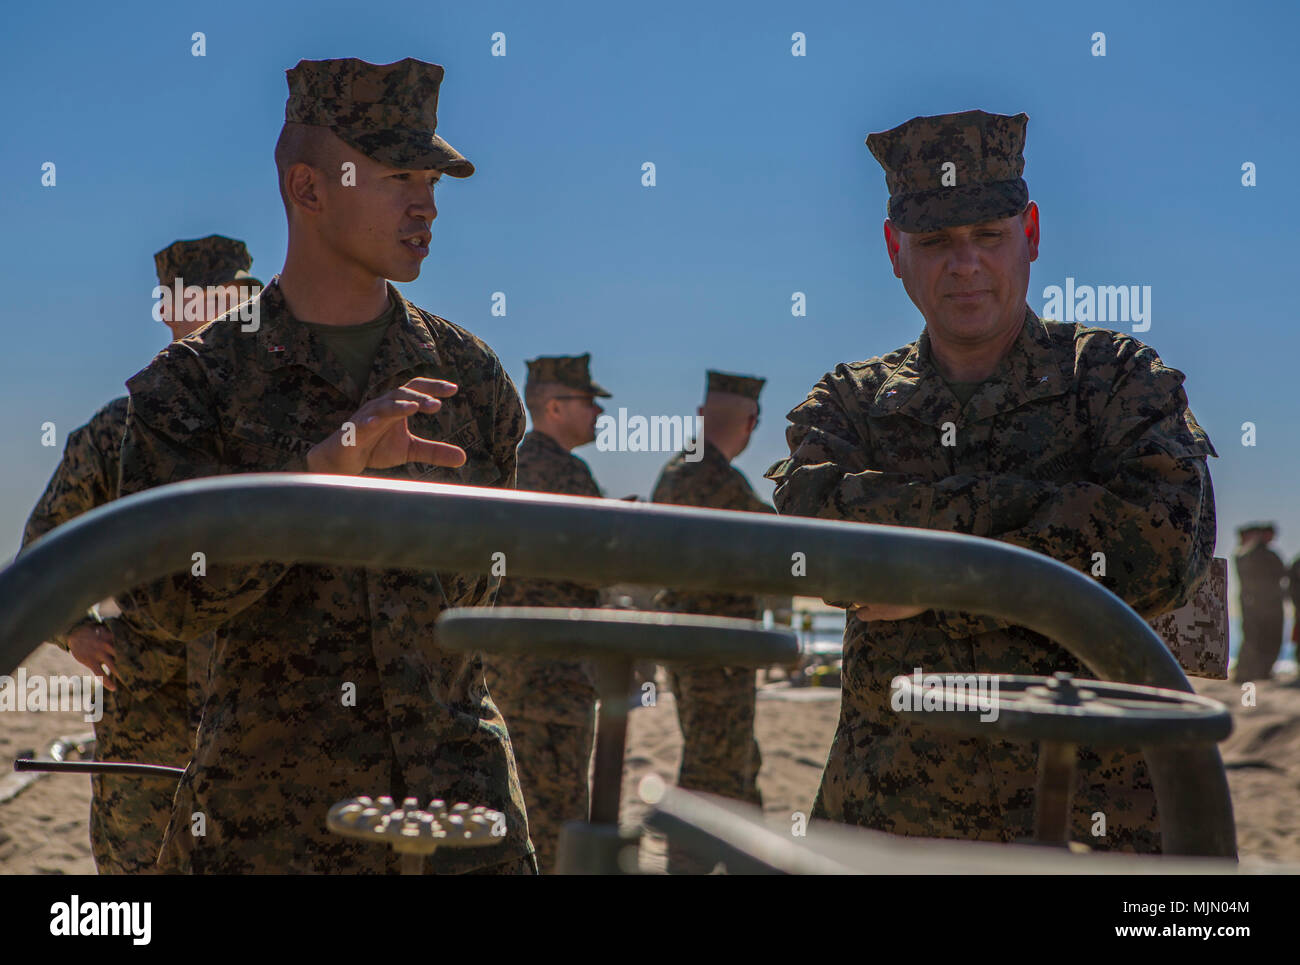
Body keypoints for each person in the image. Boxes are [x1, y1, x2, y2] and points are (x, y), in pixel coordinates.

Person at [116, 57, 533, 874]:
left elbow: (484, 591)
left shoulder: (471, 378)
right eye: (398, 175)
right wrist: (313, 478)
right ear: (308, 190)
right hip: (273, 829)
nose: (427, 203)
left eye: (434, 179)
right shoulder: (195, 384)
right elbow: (162, 599)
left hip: (461, 821)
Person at [764, 110, 1217, 853]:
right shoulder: (849, 401)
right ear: (894, 251)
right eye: (936, 241)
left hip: (1086, 831)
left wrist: (933, 573)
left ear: (1031, 234)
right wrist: (1040, 535)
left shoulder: (1111, 379)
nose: (964, 264)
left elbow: (1159, 547)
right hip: (886, 829)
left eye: (988, 237)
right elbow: (814, 534)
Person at [20, 235, 262, 873]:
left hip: (267, 709)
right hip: (147, 716)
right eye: (204, 300)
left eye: (233, 299)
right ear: (168, 310)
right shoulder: (117, 429)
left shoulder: (281, 427)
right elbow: (45, 550)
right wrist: (75, 630)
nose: (221, 313)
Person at [482, 353, 609, 873]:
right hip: (556, 677)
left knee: (516, 810)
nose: (599, 413)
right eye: (589, 402)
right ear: (554, 407)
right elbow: (601, 563)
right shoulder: (566, 472)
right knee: (557, 816)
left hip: (506, 671)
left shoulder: (511, 462)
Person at [652, 370, 772, 873]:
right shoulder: (718, 479)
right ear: (751, 422)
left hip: (699, 650)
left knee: (737, 762)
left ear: (701, 416)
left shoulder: (680, 470)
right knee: (716, 770)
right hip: (716, 654)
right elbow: (777, 541)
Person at [1232, 523, 1286, 682]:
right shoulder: (1251, 553)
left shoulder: (1251, 553)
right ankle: (1248, 673)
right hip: (1262, 605)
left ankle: (1257, 672)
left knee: (1261, 638)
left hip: (1261, 603)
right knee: (1257, 638)